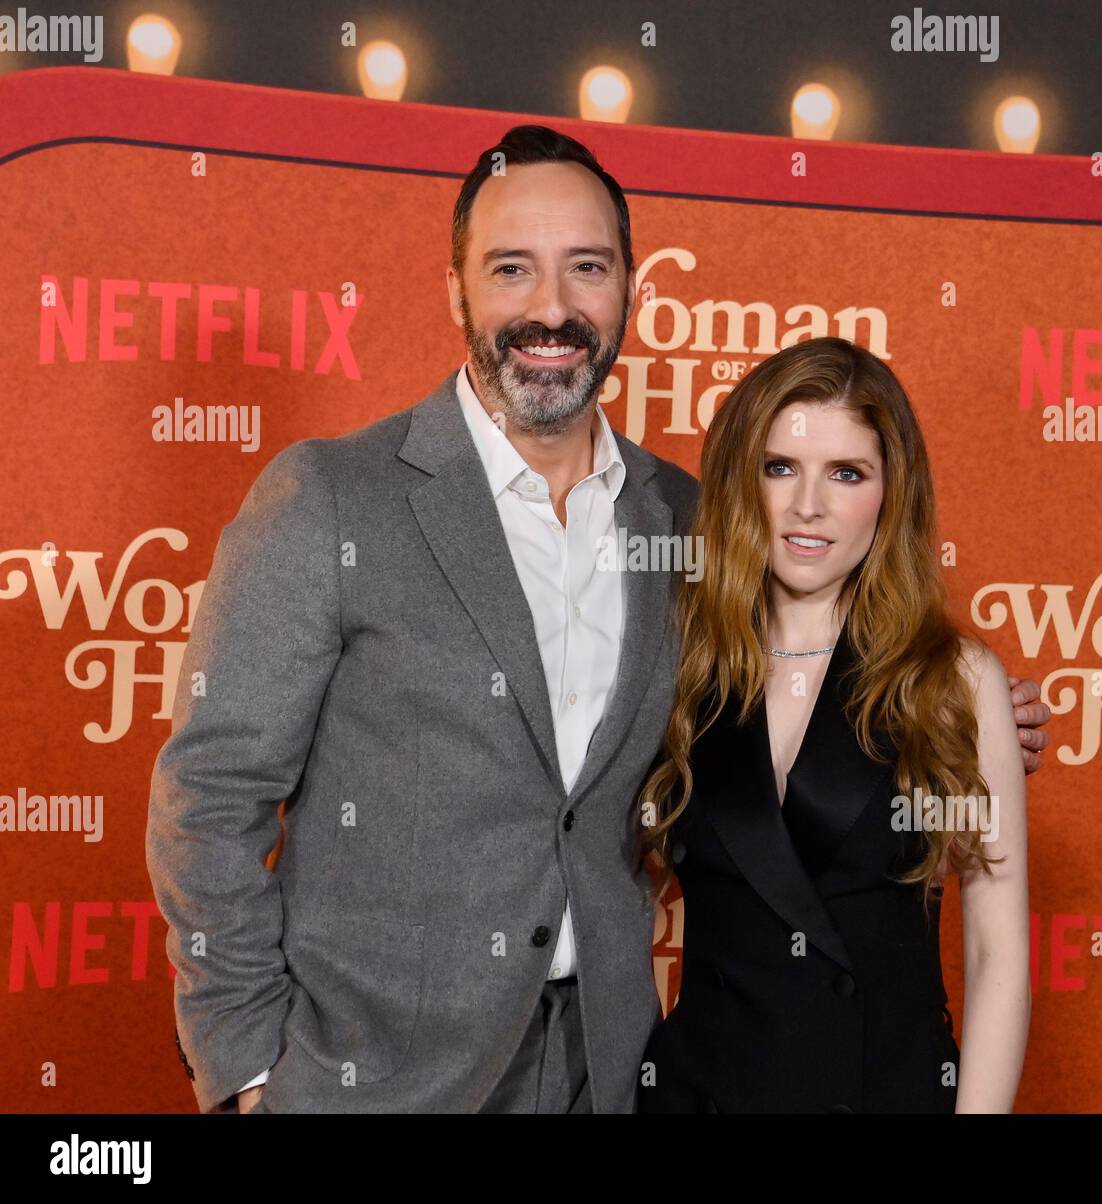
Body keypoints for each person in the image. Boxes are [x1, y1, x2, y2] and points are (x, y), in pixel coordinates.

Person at [146, 125, 1047, 1115]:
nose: (551, 308)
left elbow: (828, 680)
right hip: (371, 1081)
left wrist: (971, 714)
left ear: (630, 293)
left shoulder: (693, 522)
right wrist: (249, 1069)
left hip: (611, 1077)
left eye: (586, 268)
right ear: (456, 291)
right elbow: (209, 796)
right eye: (510, 269)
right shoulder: (332, 498)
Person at [637, 337, 1030, 1113]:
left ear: (891, 492)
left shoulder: (954, 680)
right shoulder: (680, 666)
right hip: (704, 1092)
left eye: (846, 473)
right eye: (779, 467)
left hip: (887, 1089)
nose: (807, 505)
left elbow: (998, 954)